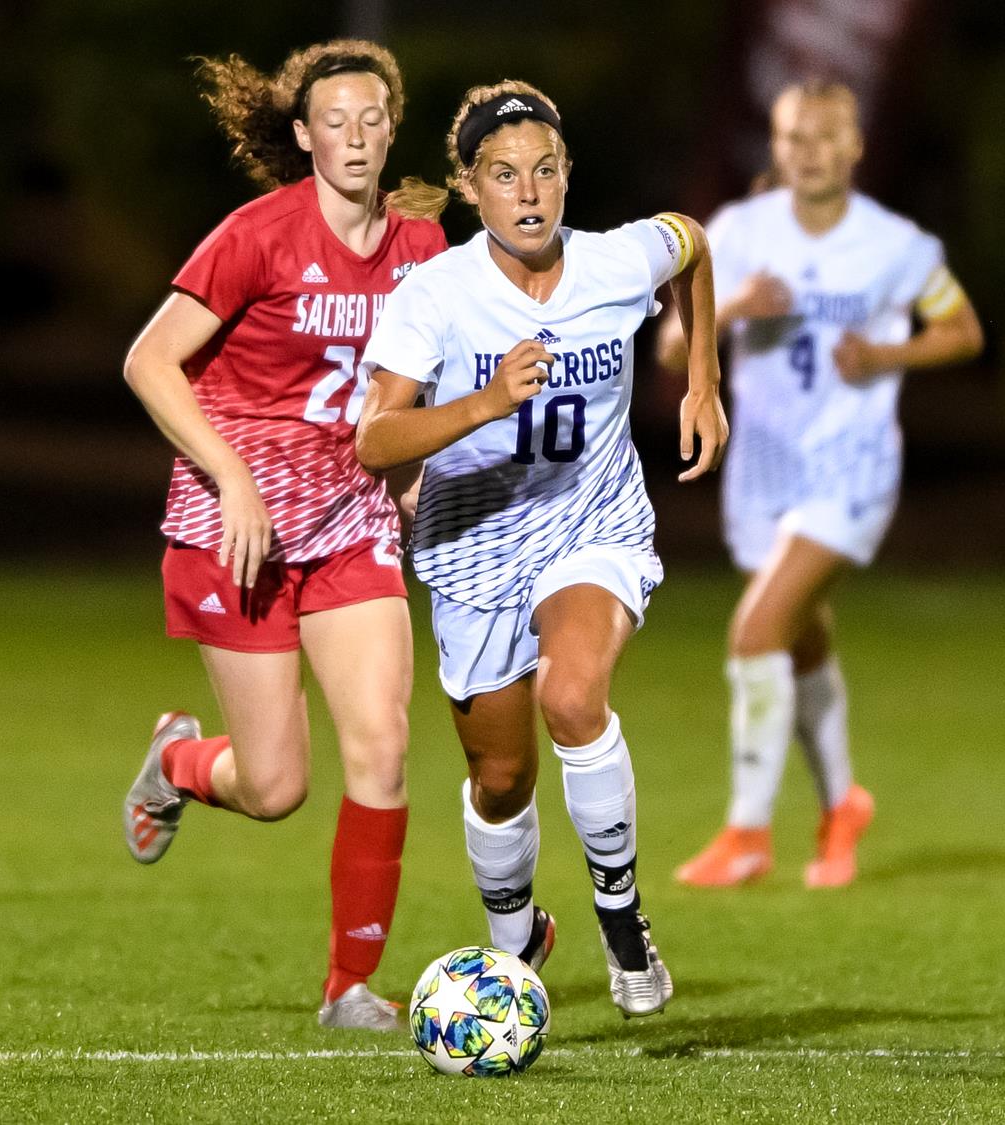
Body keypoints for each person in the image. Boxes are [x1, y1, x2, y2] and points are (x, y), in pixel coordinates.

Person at [354, 80, 727, 1018]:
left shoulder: (613, 262)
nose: (529, 193)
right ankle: (515, 939)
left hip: (590, 523)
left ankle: (622, 918)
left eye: (546, 171)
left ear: (568, 180)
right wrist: (483, 401)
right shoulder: (434, 295)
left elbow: (693, 240)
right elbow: (374, 439)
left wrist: (704, 380)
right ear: (471, 189)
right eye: (505, 175)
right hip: (473, 545)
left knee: (573, 696)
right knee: (499, 777)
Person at [118, 39, 450, 1032]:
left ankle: (350, 987)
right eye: (333, 121)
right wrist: (230, 477)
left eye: (370, 119)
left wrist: (414, 481)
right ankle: (179, 764)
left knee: (383, 742)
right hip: (239, 527)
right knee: (273, 790)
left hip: (349, 518)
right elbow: (148, 363)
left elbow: (404, 389)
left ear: (390, 129)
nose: (353, 137)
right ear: (303, 136)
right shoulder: (255, 235)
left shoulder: (423, 248)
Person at [660, 80, 984, 889]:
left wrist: (886, 356)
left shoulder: (895, 246)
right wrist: (731, 306)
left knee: (756, 632)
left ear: (854, 146)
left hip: (851, 467)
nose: (808, 152)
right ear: (778, 145)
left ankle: (746, 832)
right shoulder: (738, 232)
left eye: (824, 137)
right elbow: (671, 347)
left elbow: (963, 330)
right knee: (800, 638)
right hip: (763, 472)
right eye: (793, 137)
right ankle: (843, 805)